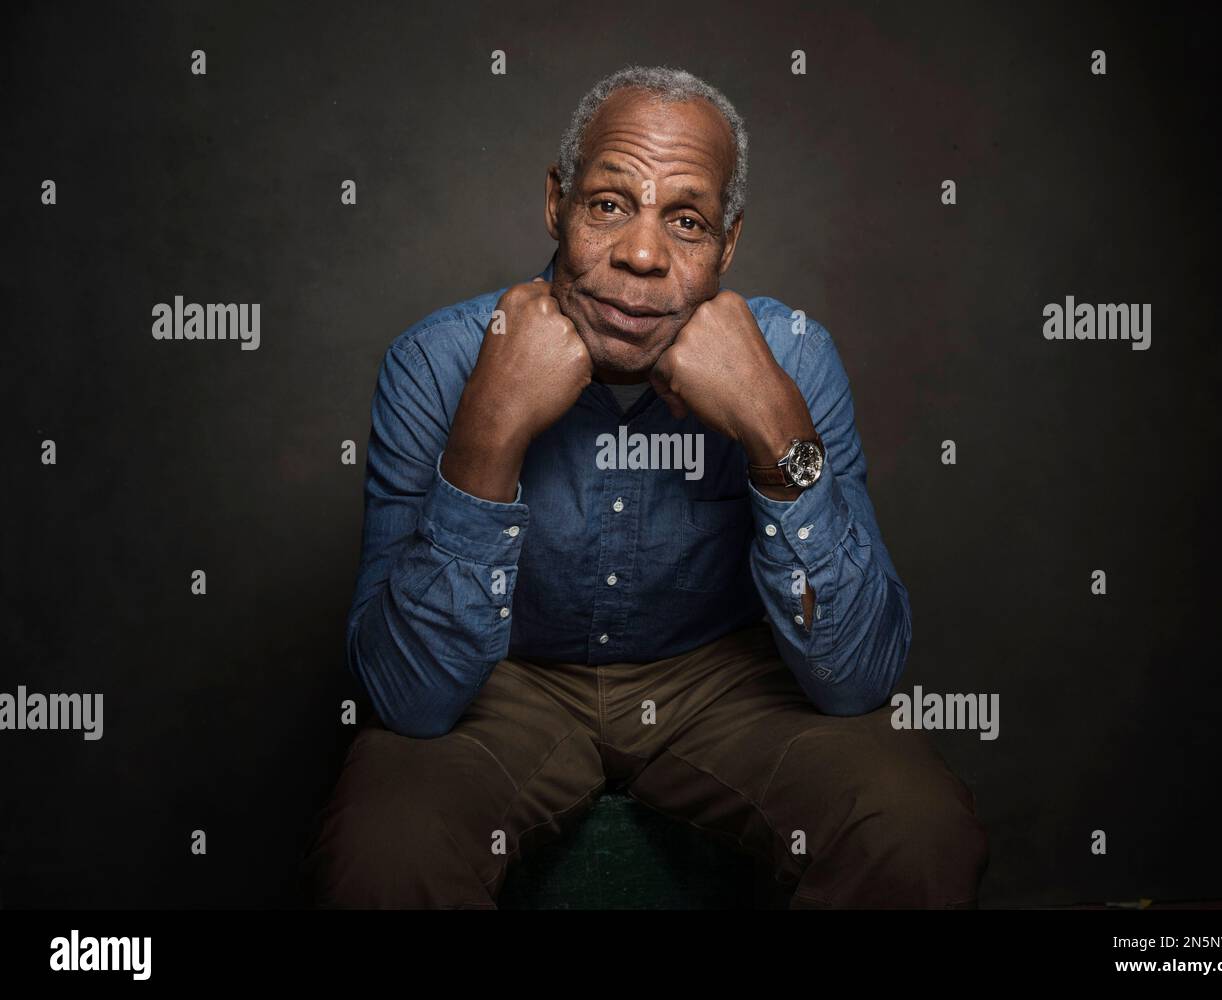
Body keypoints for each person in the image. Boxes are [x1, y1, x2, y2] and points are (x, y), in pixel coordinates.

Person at [304, 65, 989, 908]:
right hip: (509, 681)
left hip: (724, 683)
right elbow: (407, 700)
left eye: (687, 221)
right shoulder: (436, 361)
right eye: (608, 205)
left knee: (914, 826)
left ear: (728, 245)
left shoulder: (795, 358)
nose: (640, 254)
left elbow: (857, 677)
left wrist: (776, 427)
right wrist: (489, 432)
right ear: (557, 203)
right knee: (387, 849)